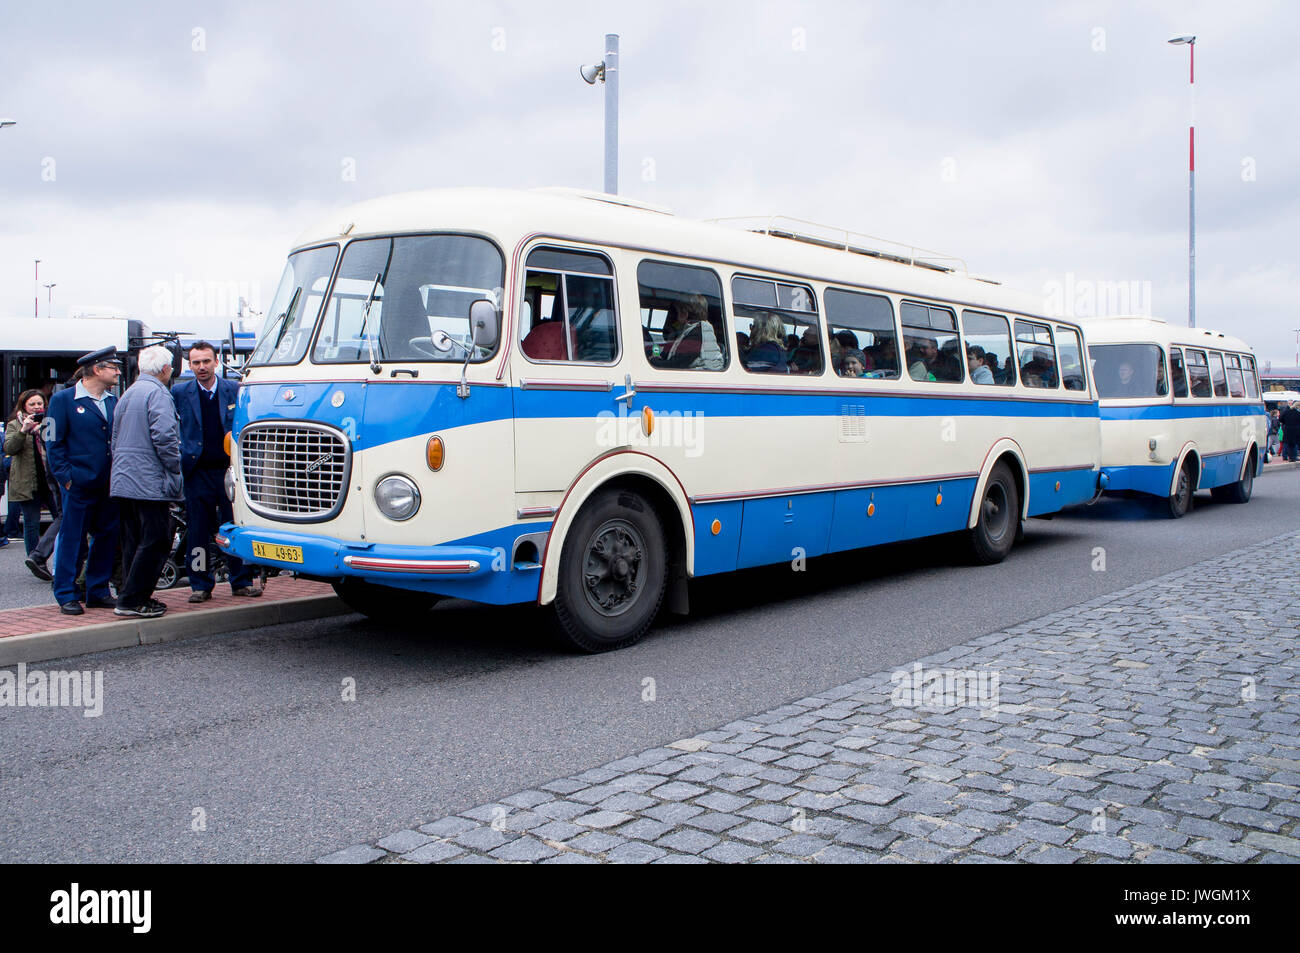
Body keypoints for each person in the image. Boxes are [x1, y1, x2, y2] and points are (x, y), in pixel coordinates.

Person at [173, 341, 261, 600]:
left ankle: (241, 581)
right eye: (196, 362)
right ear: (189, 365)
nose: (201, 367)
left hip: (228, 472)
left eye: (206, 361)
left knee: (234, 526)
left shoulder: (234, 390)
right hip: (196, 472)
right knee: (198, 532)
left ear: (216, 362)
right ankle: (200, 585)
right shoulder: (180, 393)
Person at [45, 348, 122, 615]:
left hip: (108, 484)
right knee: (73, 539)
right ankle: (66, 593)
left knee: (107, 538)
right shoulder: (63, 400)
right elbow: (52, 441)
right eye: (113, 367)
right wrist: (65, 478)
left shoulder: (113, 401)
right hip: (78, 484)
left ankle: (98, 590)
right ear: (97, 370)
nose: (118, 371)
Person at [110, 345, 182, 618]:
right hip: (150, 482)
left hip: (125, 480)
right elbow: (165, 438)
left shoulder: (128, 394)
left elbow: (115, 441)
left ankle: (129, 595)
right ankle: (133, 599)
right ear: (165, 370)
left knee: (133, 541)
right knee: (156, 540)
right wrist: (174, 469)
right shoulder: (157, 393)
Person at [4, 389, 60, 561]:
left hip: (50, 480)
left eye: (39, 404)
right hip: (27, 481)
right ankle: (34, 559)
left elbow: (54, 446)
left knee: (61, 518)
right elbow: (9, 448)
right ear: (24, 406)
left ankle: (52, 555)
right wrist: (23, 430)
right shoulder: (15, 424)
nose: (36, 407)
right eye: (32, 404)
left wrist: (41, 428)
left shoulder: (49, 422)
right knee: (31, 523)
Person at [659, 296, 724, 371]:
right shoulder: (691, 330)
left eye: (677, 312)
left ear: (685, 314)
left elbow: (676, 364)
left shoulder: (697, 333)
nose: (675, 317)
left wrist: (653, 362)